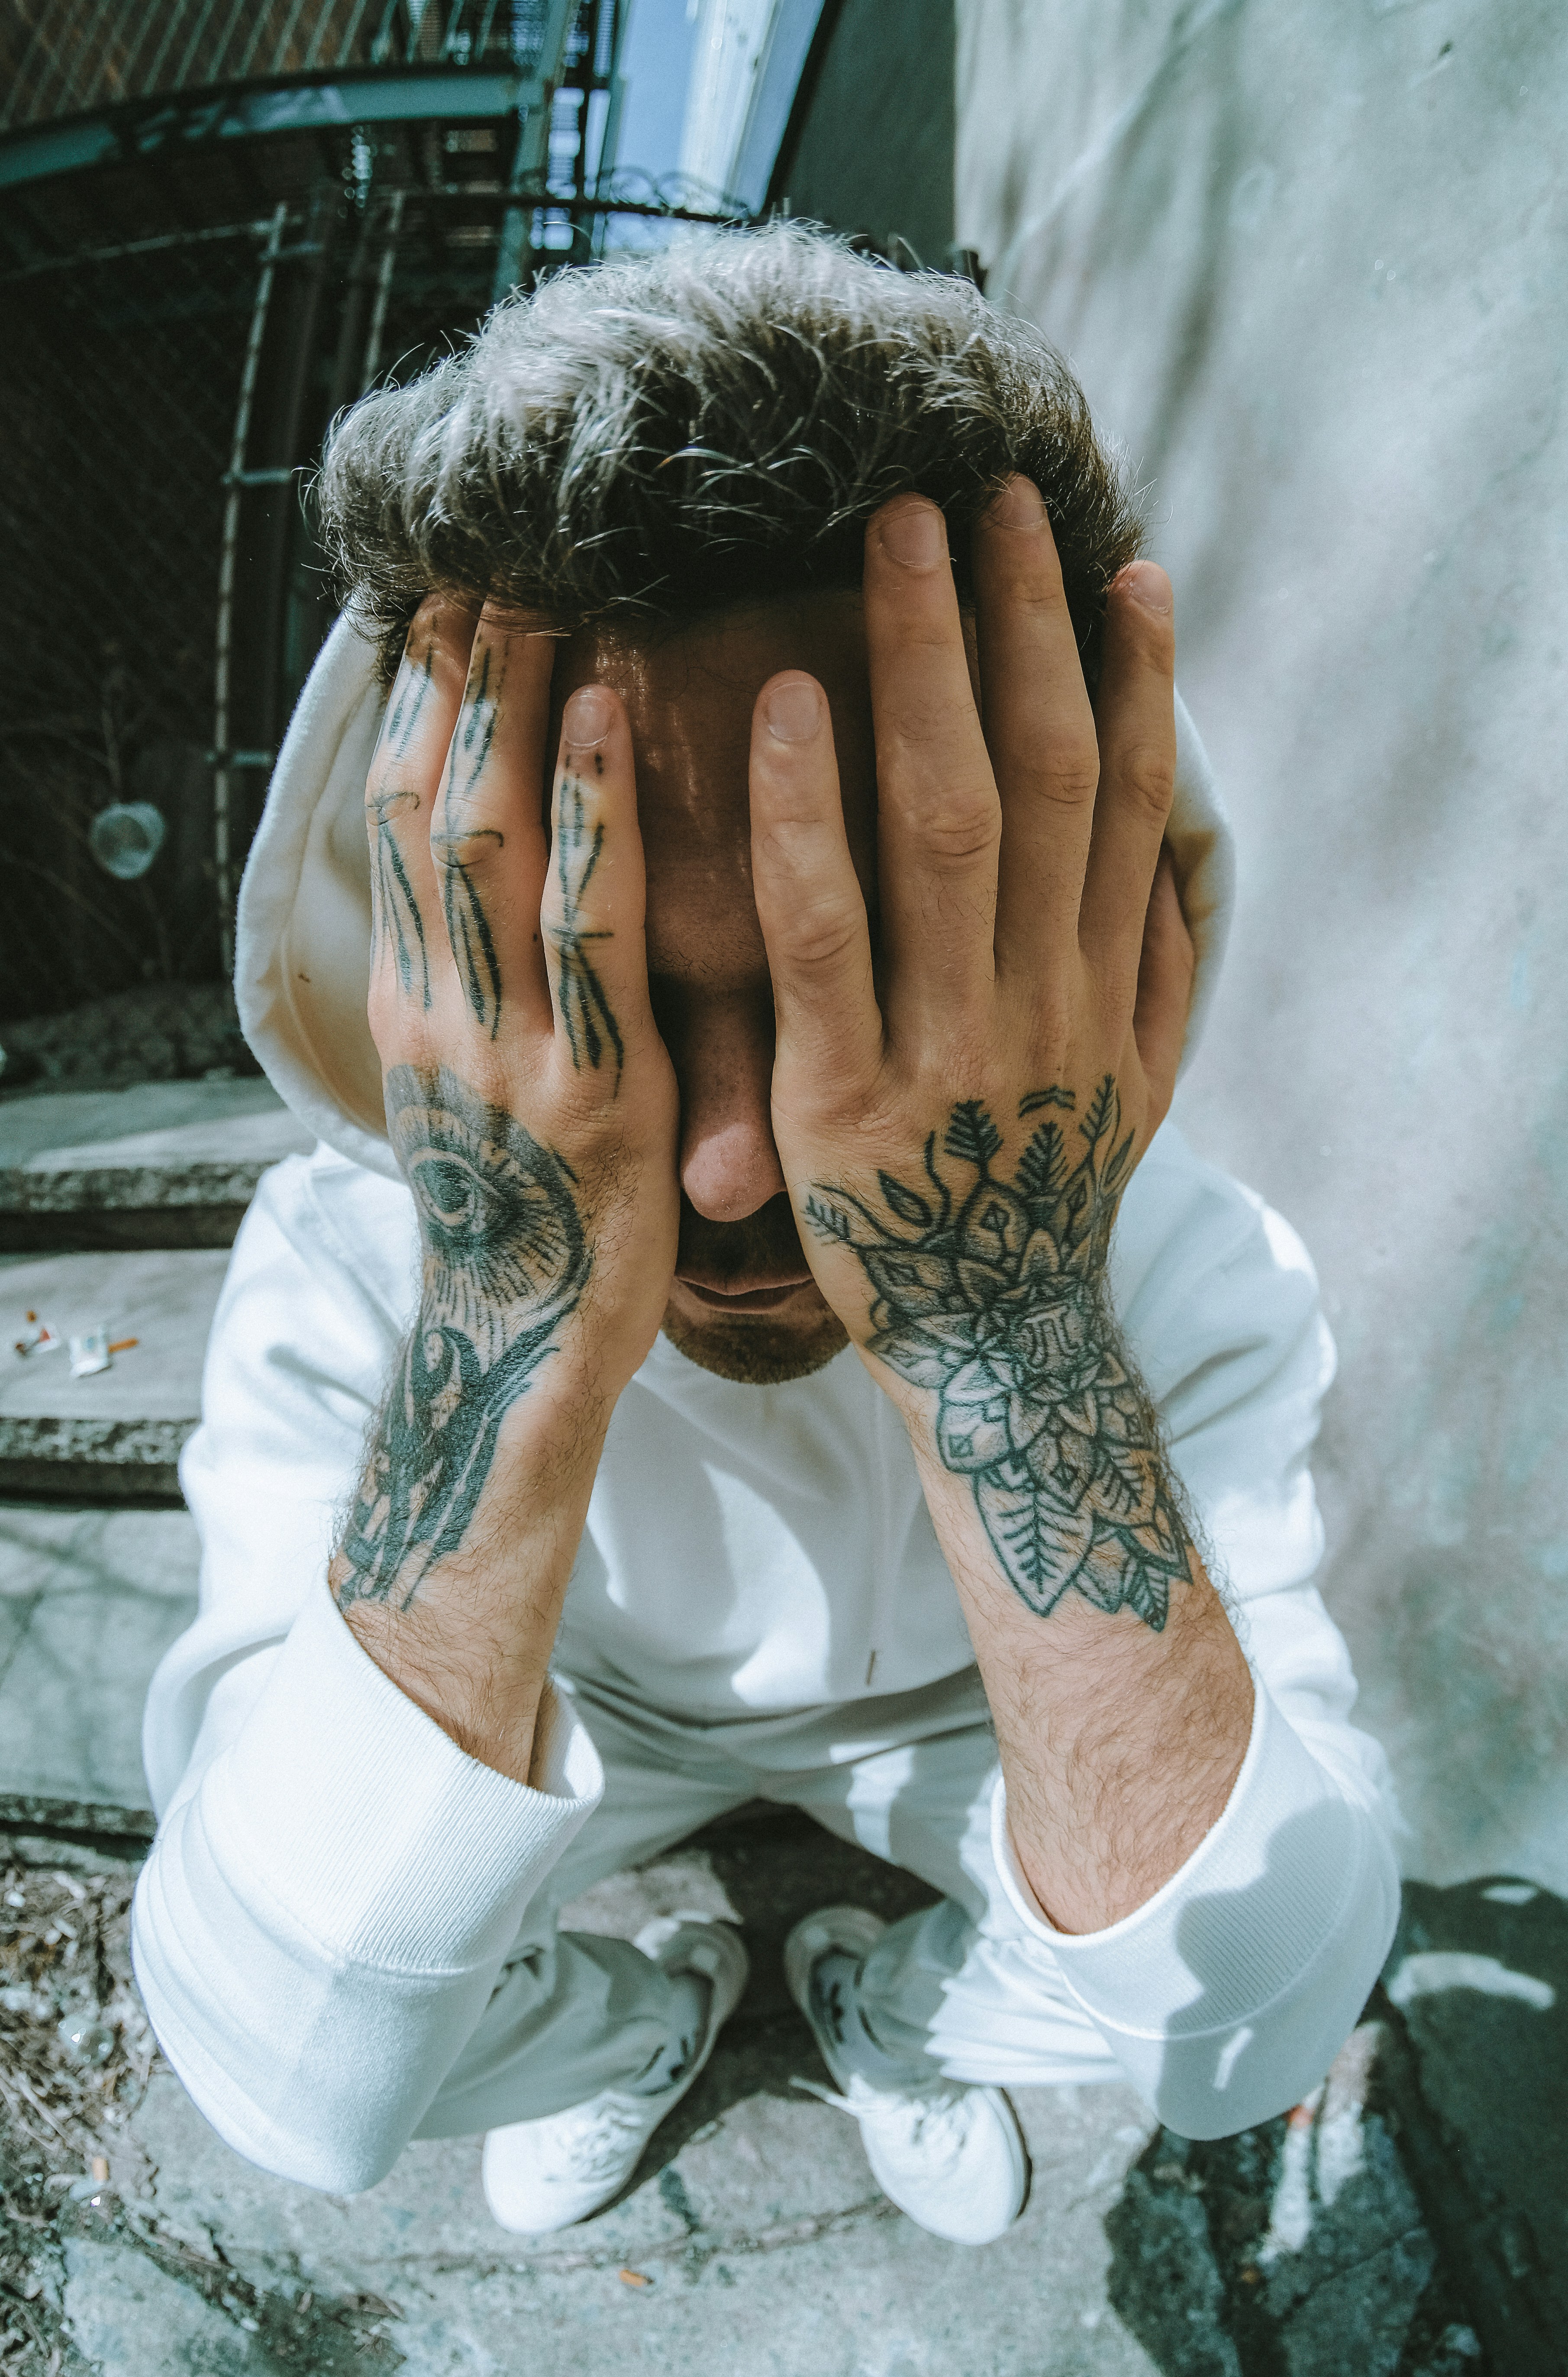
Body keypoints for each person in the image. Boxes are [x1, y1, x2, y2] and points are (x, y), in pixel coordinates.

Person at [131, 225, 1400, 2249]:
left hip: (941, 1727)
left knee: (1171, 1923)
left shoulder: (1170, 1262)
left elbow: (1255, 2010)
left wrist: (1002, 1324)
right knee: (372, 1984)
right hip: (610, 1725)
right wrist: (514, 1306)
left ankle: (903, 2011)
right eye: (604, 991)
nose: (732, 1170)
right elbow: (279, 2055)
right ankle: (643, 2018)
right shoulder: (366, 1265)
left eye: (858, 990)